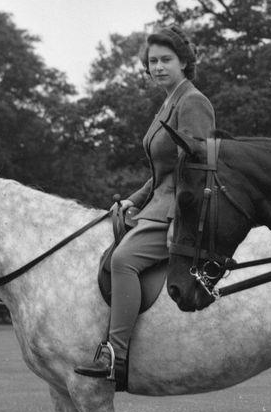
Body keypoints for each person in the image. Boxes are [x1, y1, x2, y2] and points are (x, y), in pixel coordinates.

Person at [75, 26, 215, 389]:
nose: (157, 67)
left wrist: (176, 220)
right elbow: (164, 172)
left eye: (166, 60)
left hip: (178, 210)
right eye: (152, 61)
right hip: (156, 205)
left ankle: (114, 356)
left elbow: (196, 169)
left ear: (184, 61)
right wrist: (133, 200)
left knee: (124, 260)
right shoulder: (169, 102)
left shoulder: (192, 102)